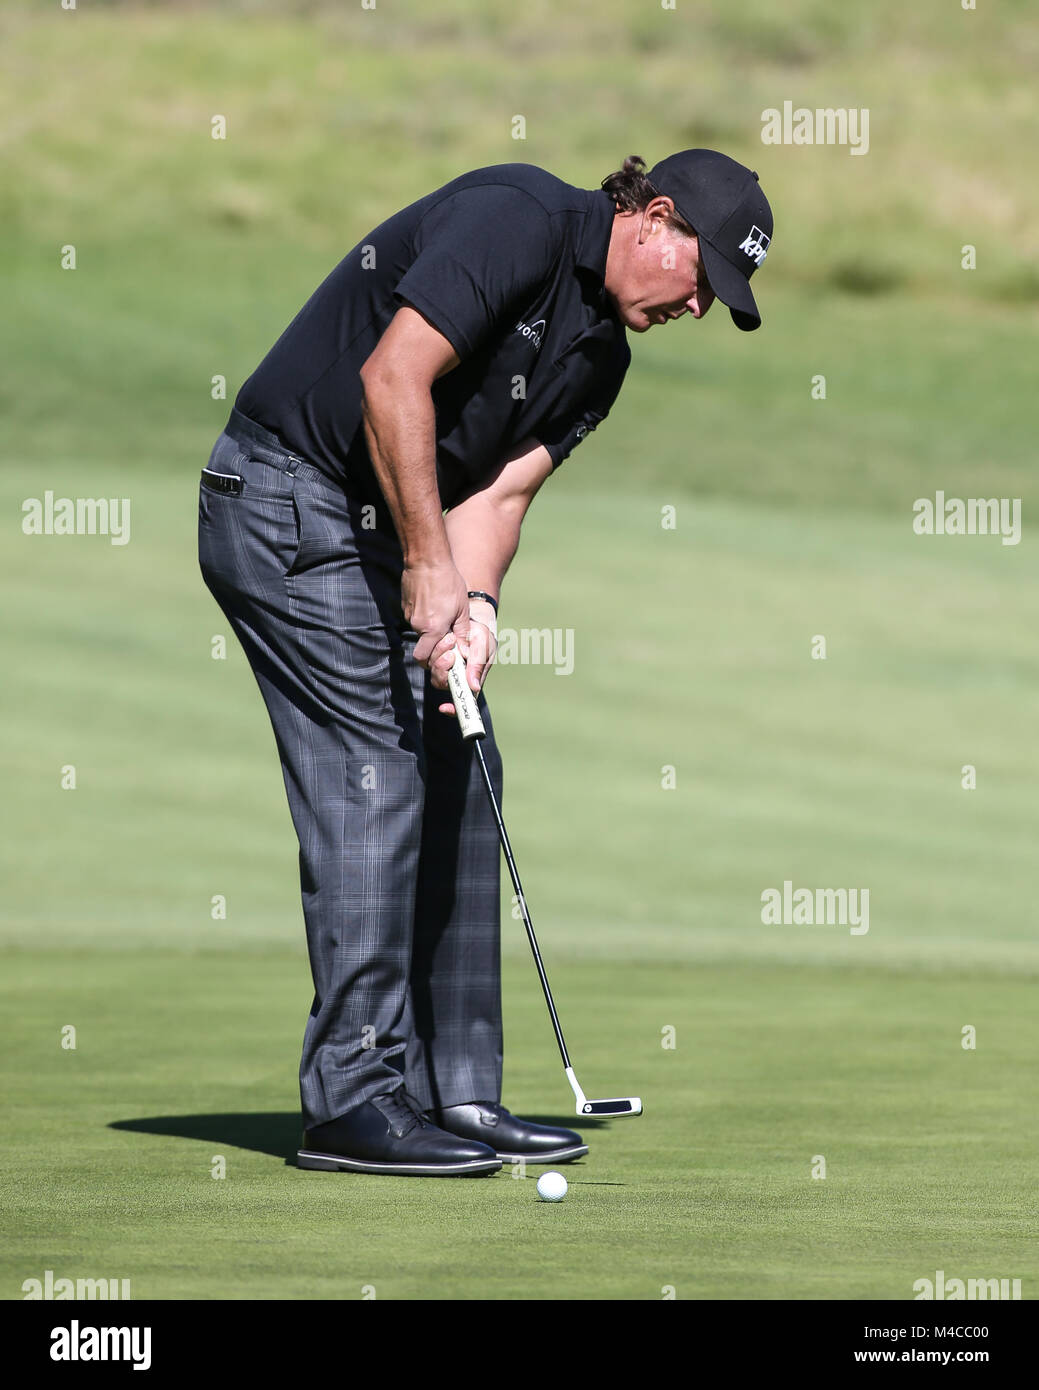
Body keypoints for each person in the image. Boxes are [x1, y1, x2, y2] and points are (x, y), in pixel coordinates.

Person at [197, 149, 774, 1177]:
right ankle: (352, 1100)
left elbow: (494, 501)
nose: (698, 306)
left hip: (381, 529)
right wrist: (425, 566)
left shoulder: (601, 359)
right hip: (284, 495)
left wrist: (475, 607)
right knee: (376, 773)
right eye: (702, 278)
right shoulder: (515, 220)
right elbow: (393, 376)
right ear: (655, 217)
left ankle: (452, 1091)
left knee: (463, 757)